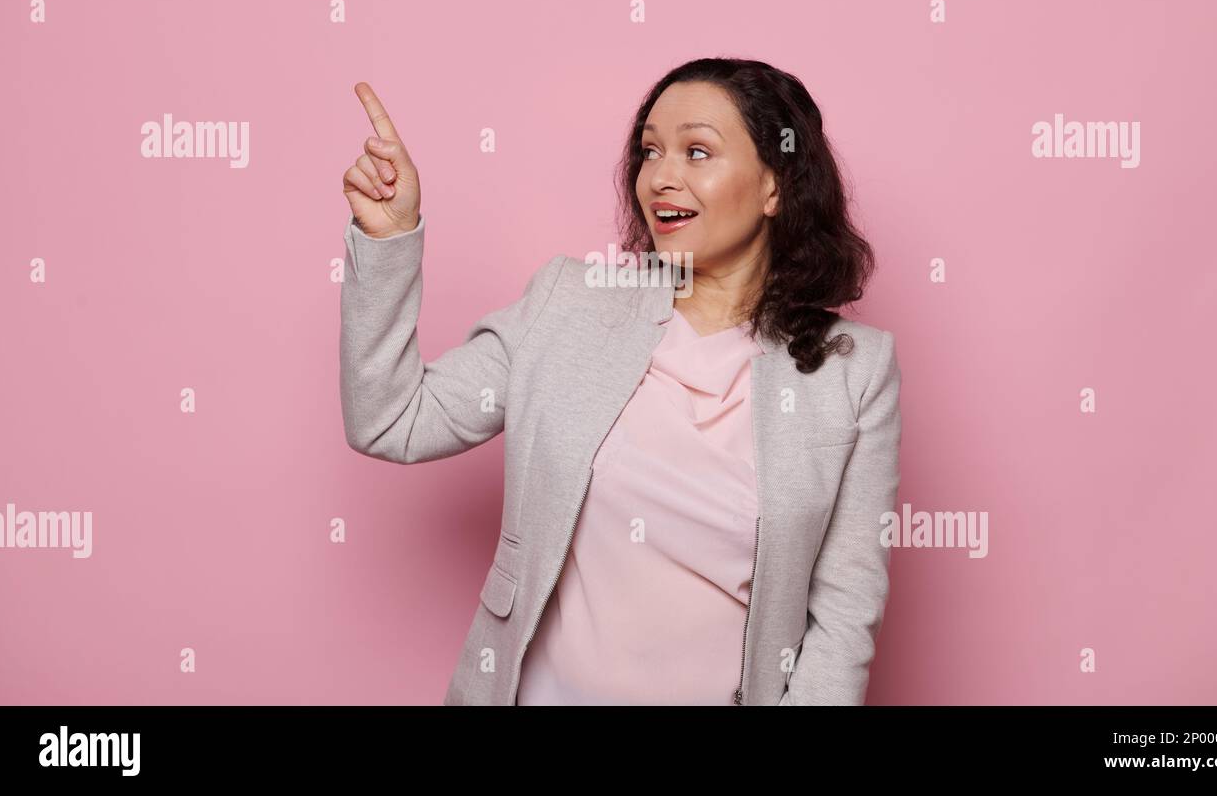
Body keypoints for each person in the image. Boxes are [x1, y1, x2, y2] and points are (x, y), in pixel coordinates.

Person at [339, 57, 903, 705]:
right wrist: (388, 240)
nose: (661, 177)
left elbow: (842, 619)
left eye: (697, 151)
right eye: (650, 152)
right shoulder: (569, 303)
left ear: (776, 185)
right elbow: (390, 417)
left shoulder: (853, 370)